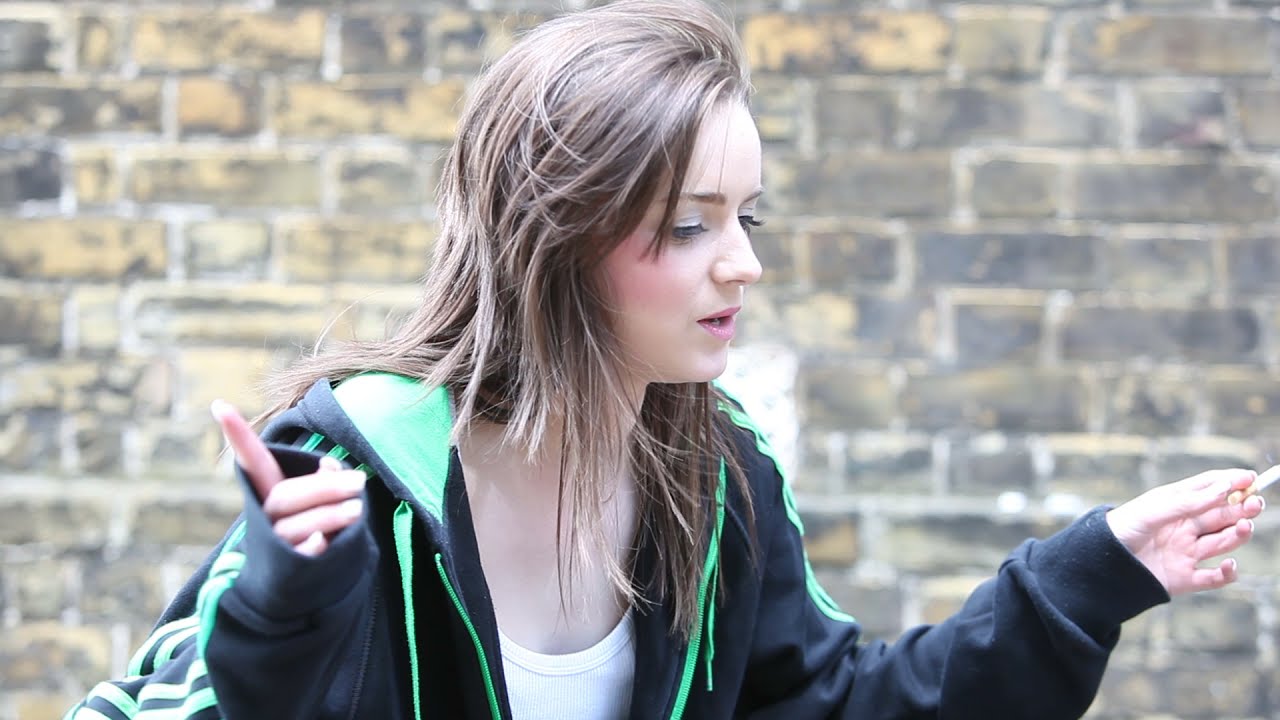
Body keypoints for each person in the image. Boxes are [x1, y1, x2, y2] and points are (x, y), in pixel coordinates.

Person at [67, 1, 1265, 718]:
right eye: (687, 224)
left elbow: (830, 707)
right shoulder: (359, 478)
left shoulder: (718, 478)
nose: (737, 262)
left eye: (747, 217)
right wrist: (286, 603)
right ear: (560, 233)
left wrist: (1090, 574)